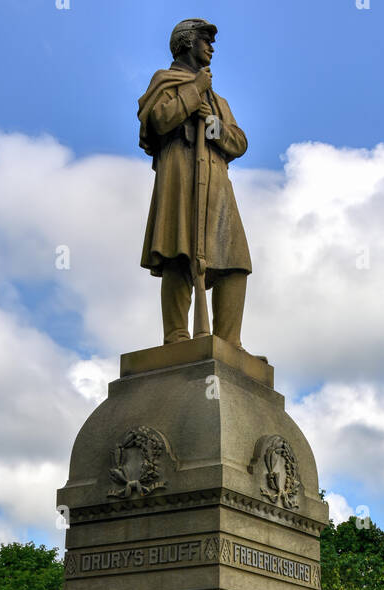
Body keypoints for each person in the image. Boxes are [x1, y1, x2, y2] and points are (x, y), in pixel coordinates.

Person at [138, 18, 252, 347]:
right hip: (179, 176)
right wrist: (193, 92)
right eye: (205, 40)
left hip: (216, 184)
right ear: (188, 42)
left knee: (235, 260)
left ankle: (229, 342)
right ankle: (176, 336)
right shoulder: (165, 81)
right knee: (178, 250)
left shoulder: (220, 102)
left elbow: (239, 143)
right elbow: (158, 122)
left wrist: (211, 123)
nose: (211, 47)